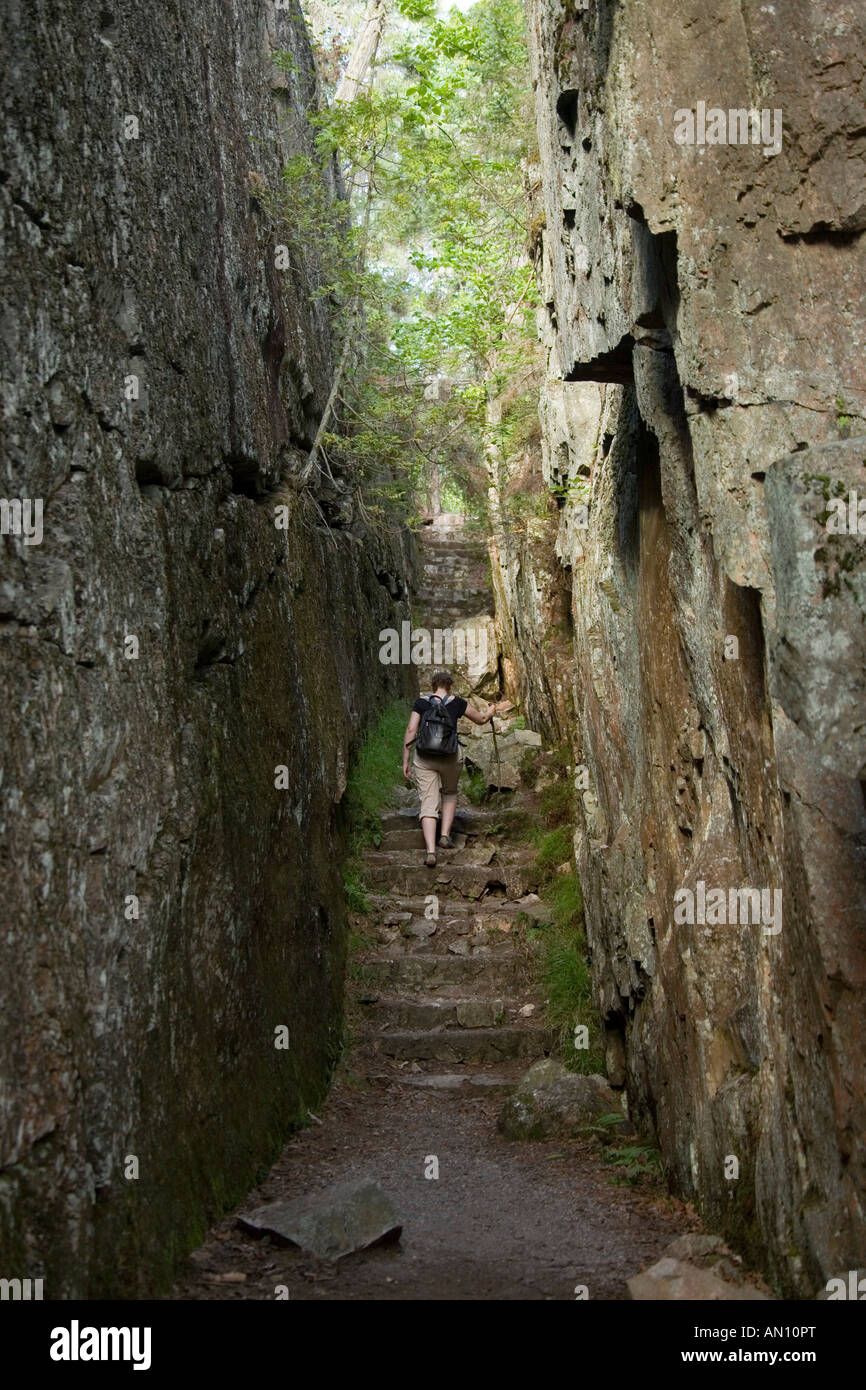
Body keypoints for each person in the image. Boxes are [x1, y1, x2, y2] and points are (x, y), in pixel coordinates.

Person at [402, 670, 500, 867]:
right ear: (450, 686)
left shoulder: (421, 703)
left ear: (433, 685)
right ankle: (445, 835)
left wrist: (405, 759)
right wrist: (491, 711)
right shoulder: (458, 703)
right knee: (450, 792)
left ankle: (430, 851)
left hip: (424, 758)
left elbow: (412, 729)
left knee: (428, 803)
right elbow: (481, 719)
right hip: (450, 756)